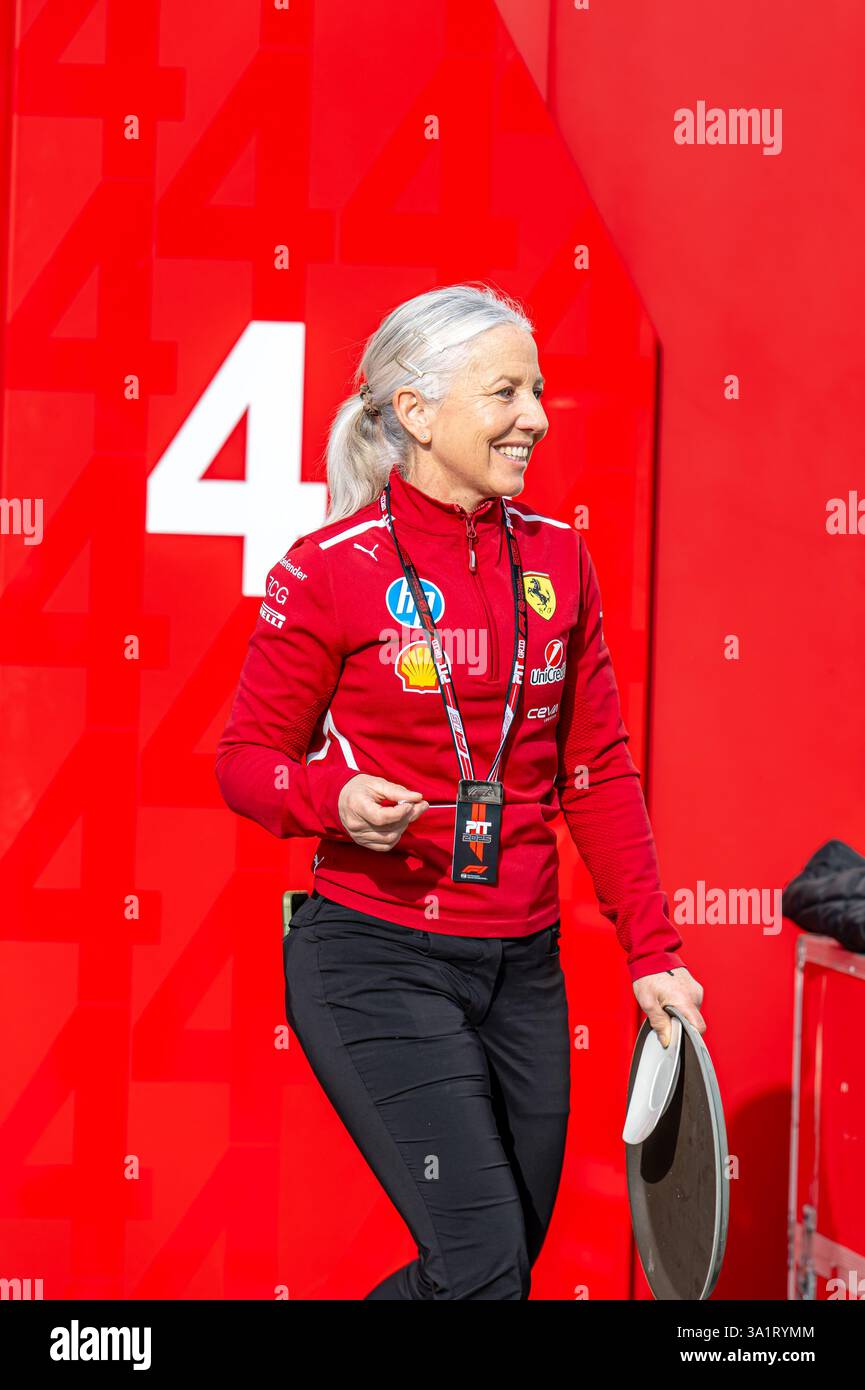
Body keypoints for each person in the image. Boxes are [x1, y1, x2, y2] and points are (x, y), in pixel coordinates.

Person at [215, 281, 705, 1300]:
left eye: (536, 390)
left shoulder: (560, 563)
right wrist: (332, 800)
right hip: (375, 958)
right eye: (504, 392)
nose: (533, 416)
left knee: (490, 1275)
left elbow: (597, 769)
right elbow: (246, 760)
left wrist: (652, 950)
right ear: (416, 413)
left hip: (522, 969)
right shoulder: (327, 572)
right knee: (483, 1269)